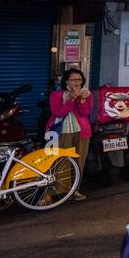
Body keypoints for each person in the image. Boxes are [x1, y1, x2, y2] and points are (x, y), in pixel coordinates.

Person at [48, 68, 93, 199]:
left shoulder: (86, 94)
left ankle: (74, 190)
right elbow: (58, 112)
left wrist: (83, 100)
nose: (77, 82)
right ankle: (52, 192)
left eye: (79, 79)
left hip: (81, 132)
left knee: (79, 162)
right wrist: (72, 99)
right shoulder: (56, 95)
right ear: (66, 81)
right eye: (73, 79)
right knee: (59, 161)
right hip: (62, 131)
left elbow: (85, 113)